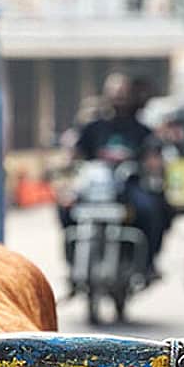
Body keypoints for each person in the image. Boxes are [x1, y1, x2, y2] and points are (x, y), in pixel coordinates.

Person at [73, 73, 167, 274]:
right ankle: (73, 260)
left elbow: (153, 157)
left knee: (150, 208)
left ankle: (147, 264)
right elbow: (77, 154)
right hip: (97, 188)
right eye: (114, 93)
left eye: (123, 93)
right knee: (66, 208)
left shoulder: (142, 130)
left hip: (129, 187)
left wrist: (150, 165)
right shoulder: (93, 127)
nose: (118, 97)